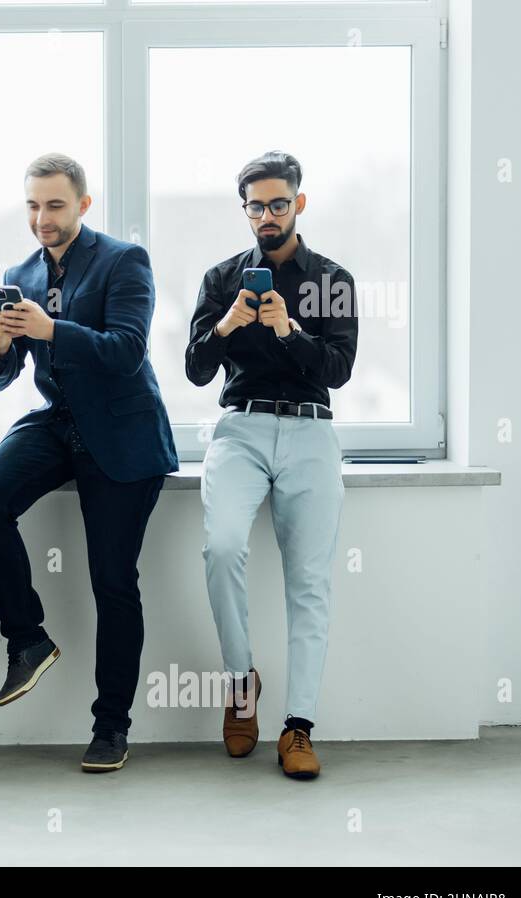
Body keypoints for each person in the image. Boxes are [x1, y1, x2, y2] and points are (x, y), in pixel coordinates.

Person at [0, 154, 179, 773]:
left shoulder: (123, 260)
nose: (41, 218)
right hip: (59, 422)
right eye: (32, 205)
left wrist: (51, 329)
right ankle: (27, 637)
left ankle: (112, 726)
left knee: (112, 583)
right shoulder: (19, 272)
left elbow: (127, 351)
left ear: (84, 205)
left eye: (54, 205)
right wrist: (3, 341)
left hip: (123, 432)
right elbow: (0, 378)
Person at [184, 150, 357, 780]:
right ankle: (239, 684)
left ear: (298, 204)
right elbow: (197, 369)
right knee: (222, 547)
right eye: (255, 206)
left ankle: (299, 727)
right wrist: (229, 323)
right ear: (246, 211)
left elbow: (338, 368)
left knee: (309, 581)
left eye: (277, 203)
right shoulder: (221, 277)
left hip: (312, 432)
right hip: (242, 428)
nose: (266, 215)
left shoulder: (332, 278)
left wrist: (290, 332)